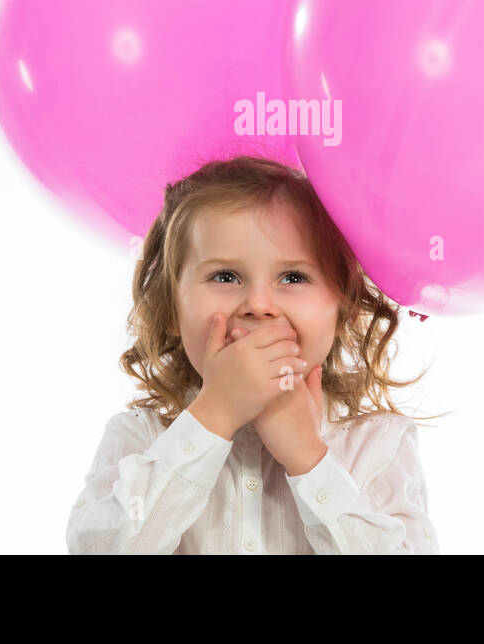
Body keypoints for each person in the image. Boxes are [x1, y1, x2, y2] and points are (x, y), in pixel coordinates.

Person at [65, 155, 450, 553]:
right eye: (225, 276)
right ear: (172, 310)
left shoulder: (378, 445)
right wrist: (213, 416)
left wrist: (309, 459)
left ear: (346, 308)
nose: (258, 304)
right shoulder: (140, 437)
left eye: (293, 277)